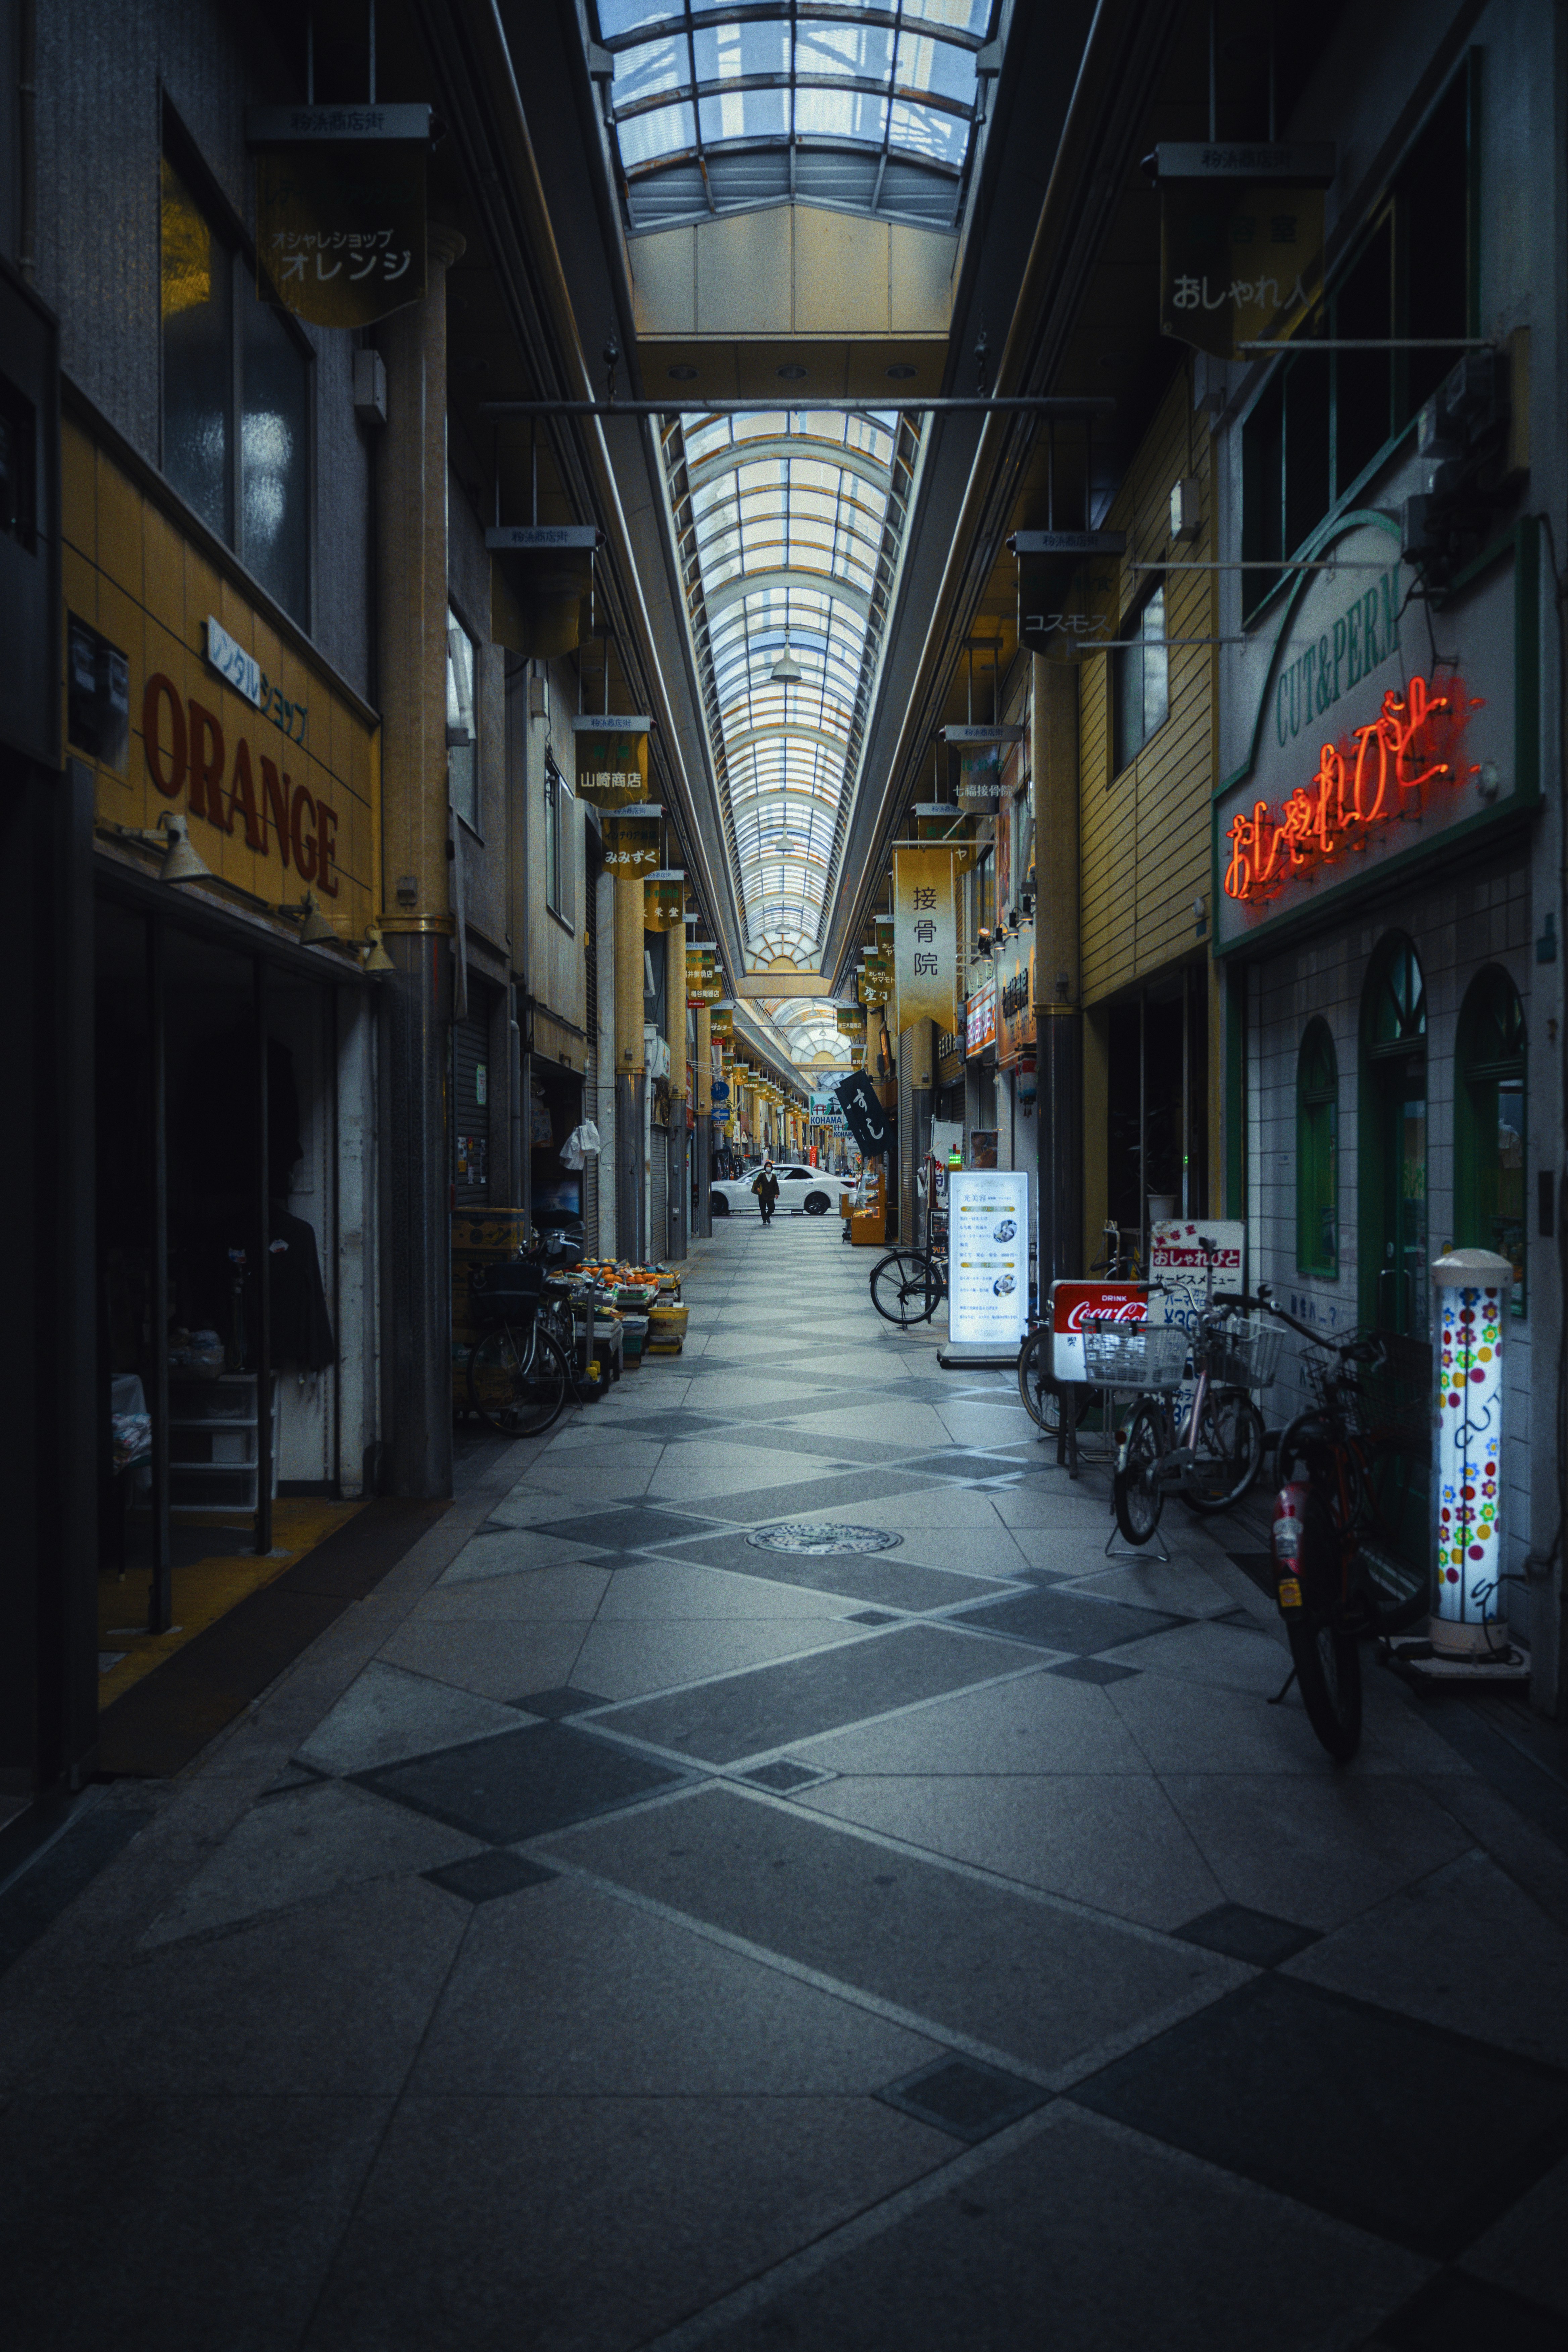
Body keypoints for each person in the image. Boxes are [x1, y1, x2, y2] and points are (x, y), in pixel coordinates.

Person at [752, 1158, 780, 1226]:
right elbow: (756, 1182)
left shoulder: (773, 1176)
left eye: (770, 1167)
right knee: (763, 1208)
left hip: (771, 1195)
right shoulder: (762, 1175)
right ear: (765, 1168)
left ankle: (767, 1216)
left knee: (772, 1208)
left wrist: (777, 1193)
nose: (769, 1168)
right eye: (768, 1167)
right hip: (763, 1195)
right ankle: (764, 1220)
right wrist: (757, 1188)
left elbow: (776, 1185)